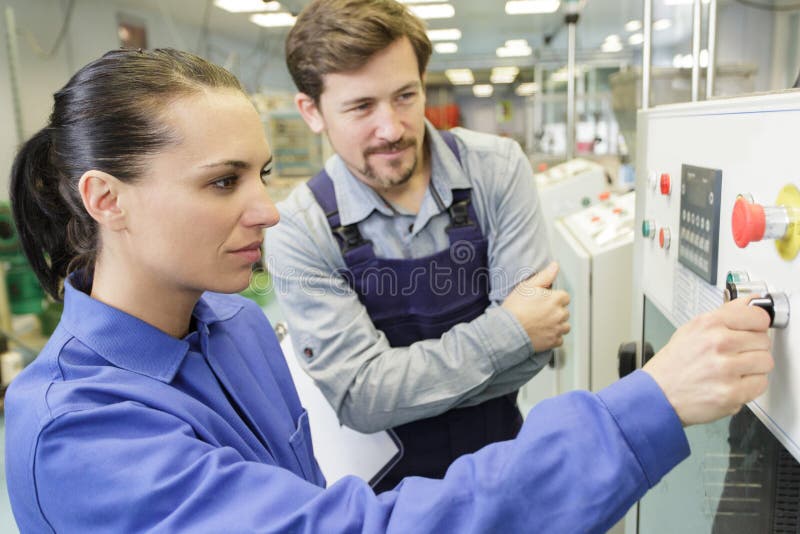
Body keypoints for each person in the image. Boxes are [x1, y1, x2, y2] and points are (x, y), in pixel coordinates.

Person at [4, 47, 773, 534]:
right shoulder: (80, 433)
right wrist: (644, 403)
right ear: (106, 199)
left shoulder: (235, 325)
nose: (269, 209)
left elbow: (530, 356)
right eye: (222, 182)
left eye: (263, 173)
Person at [267, 0, 571, 491]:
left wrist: (398, 384)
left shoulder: (496, 169)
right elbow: (361, 401)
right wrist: (511, 330)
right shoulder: (297, 229)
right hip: (387, 503)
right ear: (312, 111)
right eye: (361, 107)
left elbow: (532, 358)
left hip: (504, 473)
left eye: (405, 96)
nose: (391, 128)